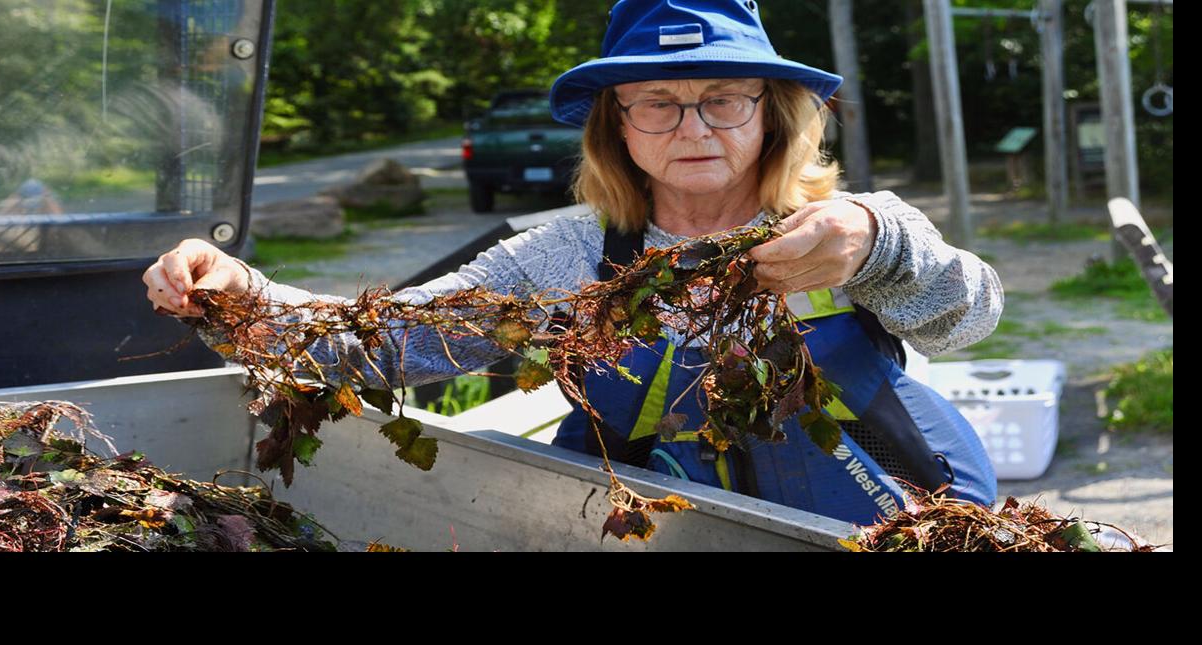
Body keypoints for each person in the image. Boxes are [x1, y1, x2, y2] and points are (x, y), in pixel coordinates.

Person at [142, 0, 1001, 525]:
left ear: (771, 112)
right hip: (661, 530)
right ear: (616, 125)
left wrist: (878, 248)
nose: (694, 128)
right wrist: (237, 289)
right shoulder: (565, 255)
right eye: (658, 102)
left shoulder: (845, 227)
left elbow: (970, 316)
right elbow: (381, 345)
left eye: (722, 99)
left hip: (877, 527)